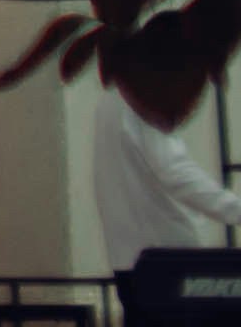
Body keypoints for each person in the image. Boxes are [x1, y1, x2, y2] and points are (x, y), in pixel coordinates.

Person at [103, 95, 241, 276]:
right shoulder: (140, 100)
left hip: (133, 255)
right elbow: (175, 172)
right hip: (164, 257)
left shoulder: (112, 102)